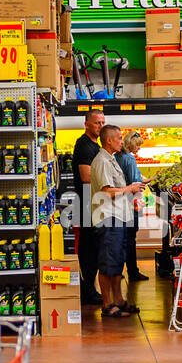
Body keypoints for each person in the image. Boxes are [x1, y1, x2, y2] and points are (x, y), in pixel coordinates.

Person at [91, 124, 144, 318]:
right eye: (120, 138)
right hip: (108, 218)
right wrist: (129, 189)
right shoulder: (102, 161)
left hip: (118, 217)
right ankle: (107, 304)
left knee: (116, 262)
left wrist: (131, 190)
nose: (122, 141)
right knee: (107, 263)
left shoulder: (111, 159)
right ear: (109, 140)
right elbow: (106, 192)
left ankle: (119, 300)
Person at [72, 110, 105, 306]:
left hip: (92, 202)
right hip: (86, 203)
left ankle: (89, 288)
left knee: (93, 246)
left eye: (102, 123)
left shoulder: (94, 145)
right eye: (96, 123)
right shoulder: (84, 145)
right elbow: (86, 176)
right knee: (89, 248)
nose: (100, 126)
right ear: (86, 124)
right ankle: (87, 291)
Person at [115, 131, 150, 282]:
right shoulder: (129, 158)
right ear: (131, 144)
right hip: (130, 202)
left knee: (121, 238)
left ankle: (117, 271)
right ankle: (133, 271)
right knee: (130, 239)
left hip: (119, 202)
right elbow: (135, 181)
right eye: (138, 145)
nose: (139, 148)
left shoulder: (117, 156)